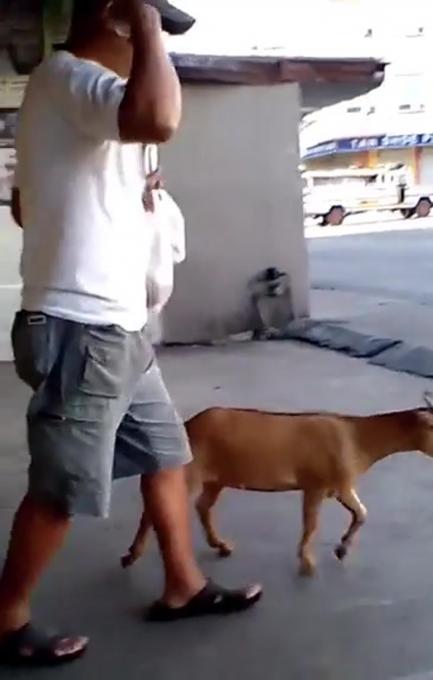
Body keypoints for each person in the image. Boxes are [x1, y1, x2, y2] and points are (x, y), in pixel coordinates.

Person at [0, 0, 261, 667]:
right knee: (61, 485)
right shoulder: (67, 76)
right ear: (117, 21)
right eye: (152, 36)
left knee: (166, 456)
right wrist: (146, 21)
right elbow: (160, 115)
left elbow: (29, 208)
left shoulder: (88, 111)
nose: (158, 55)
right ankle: (6, 619)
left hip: (116, 326)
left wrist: (124, 197)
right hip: (82, 327)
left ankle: (183, 585)